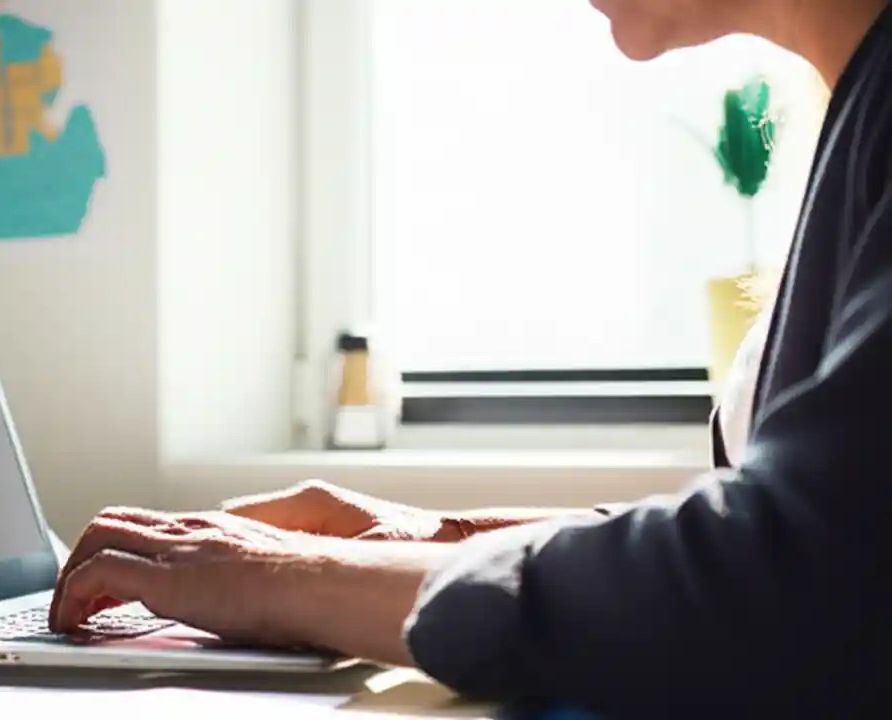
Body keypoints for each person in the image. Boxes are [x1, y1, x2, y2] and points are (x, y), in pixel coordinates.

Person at [49, 0, 892, 714]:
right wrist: (440, 537)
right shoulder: (854, 103)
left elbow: (797, 584)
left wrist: (281, 582)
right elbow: (783, 532)